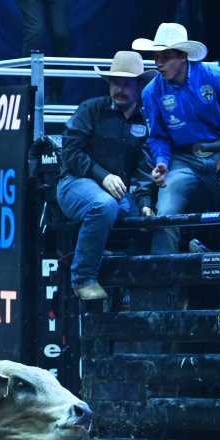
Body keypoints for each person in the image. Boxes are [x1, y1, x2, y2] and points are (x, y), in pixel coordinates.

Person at [134, 22, 220, 254]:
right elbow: (158, 136)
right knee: (166, 214)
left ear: (182, 56)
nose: (158, 63)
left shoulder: (217, 76)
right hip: (183, 160)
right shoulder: (151, 92)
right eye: (156, 56)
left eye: (165, 56)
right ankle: (163, 281)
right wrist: (162, 161)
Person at [56, 51, 155, 301]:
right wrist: (103, 176)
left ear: (138, 86)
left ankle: (133, 287)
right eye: (115, 82)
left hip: (116, 193)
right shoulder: (91, 109)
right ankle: (83, 279)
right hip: (74, 184)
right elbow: (70, 151)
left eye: (126, 83)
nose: (119, 88)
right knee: (104, 205)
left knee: (146, 222)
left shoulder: (144, 121)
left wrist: (145, 205)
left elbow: (144, 171)